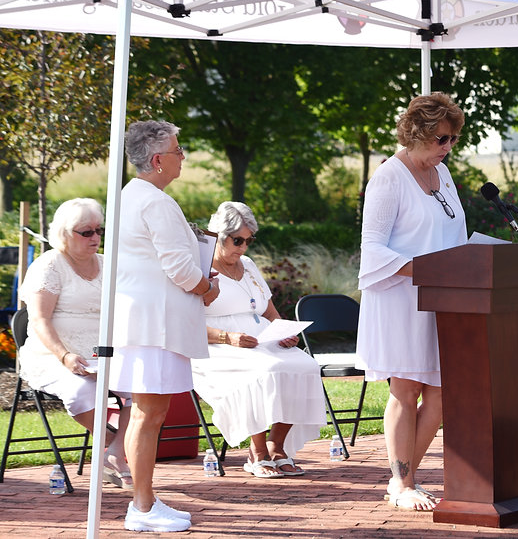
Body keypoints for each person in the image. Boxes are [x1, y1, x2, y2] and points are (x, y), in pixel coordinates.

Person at [357, 92, 468, 512]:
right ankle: (403, 484)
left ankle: (402, 480)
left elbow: (455, 236)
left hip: (442, 299)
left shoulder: (444, 174)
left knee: (440, 395)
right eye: (442, 138)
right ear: (417, 133)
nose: (448, 147)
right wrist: (426, 270)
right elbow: (372, 249)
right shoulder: (388, 177)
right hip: (400, 300)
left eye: (454, 139)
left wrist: (465, 269)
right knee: (405, 391)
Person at [109, 120, 219, 533]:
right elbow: (177, 267)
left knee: (148, 412)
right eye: (178, 150)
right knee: (149, 413)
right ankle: (141, 507)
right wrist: (206, 286)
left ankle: (146, 500)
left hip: (146, 321)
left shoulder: (132, 195)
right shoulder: (154, 201)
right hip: (154, 325)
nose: (182, 157)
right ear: (157, 160)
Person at [191, 201, 326, 478]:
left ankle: (278, 445)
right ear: (218, 234)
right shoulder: (198, 267)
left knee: (305, 365)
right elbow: (184, 321)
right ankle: (258, 451)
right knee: (266, 369)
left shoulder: (248, 265)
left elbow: (267, 309)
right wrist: (228, 337)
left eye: (248, 241)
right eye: (237, 240)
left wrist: (285, 331)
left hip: (260, 337)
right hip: (215, 343)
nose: (242, 248)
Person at [18, 198, 133, 489]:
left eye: (99, 231)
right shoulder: (49, 266)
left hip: (103, 353)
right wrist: (65, 356)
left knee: (145, 386)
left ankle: (115, 453)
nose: (95, 237)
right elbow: (40, 321)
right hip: (53, 355)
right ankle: (113, 443)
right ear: (65, 234)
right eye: (86, 232)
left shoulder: (108, 265)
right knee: (82, 391)